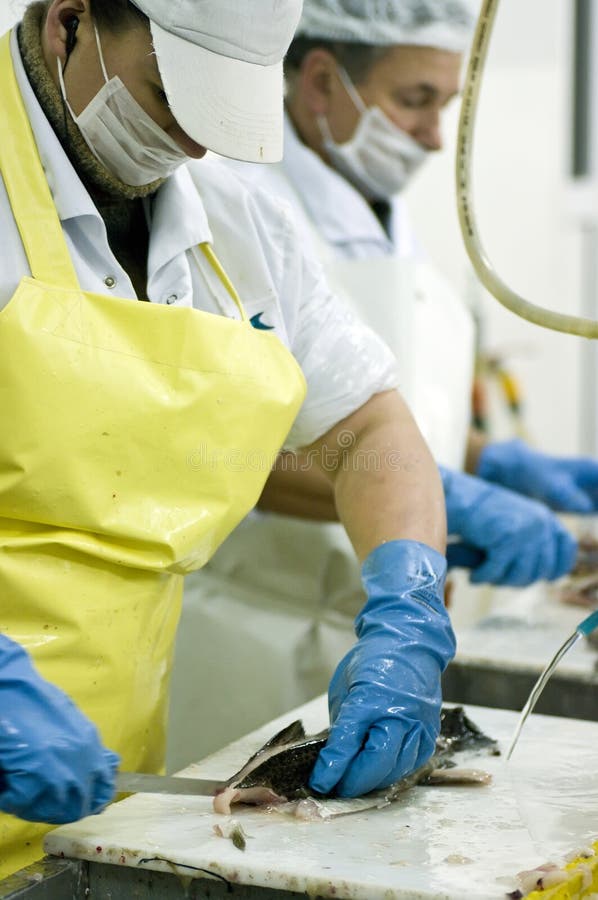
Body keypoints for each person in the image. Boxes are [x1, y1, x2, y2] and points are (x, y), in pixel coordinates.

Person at [0, 0, 456, 878]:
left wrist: (410, 612)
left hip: (100, 800)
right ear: (70, 22)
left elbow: (370, 430)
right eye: (172, 99)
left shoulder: (238, 220)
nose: (195, 146)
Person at [167, 0, 598, 769]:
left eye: (446, 104)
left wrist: (487, 461)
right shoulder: (232, 208)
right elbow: (217, 444)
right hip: (259, 627)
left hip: (380, 622)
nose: (437, 135)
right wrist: (442, 490)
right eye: (415, 100)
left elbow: (375, 400)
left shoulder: (390, 216)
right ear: (324, 82)